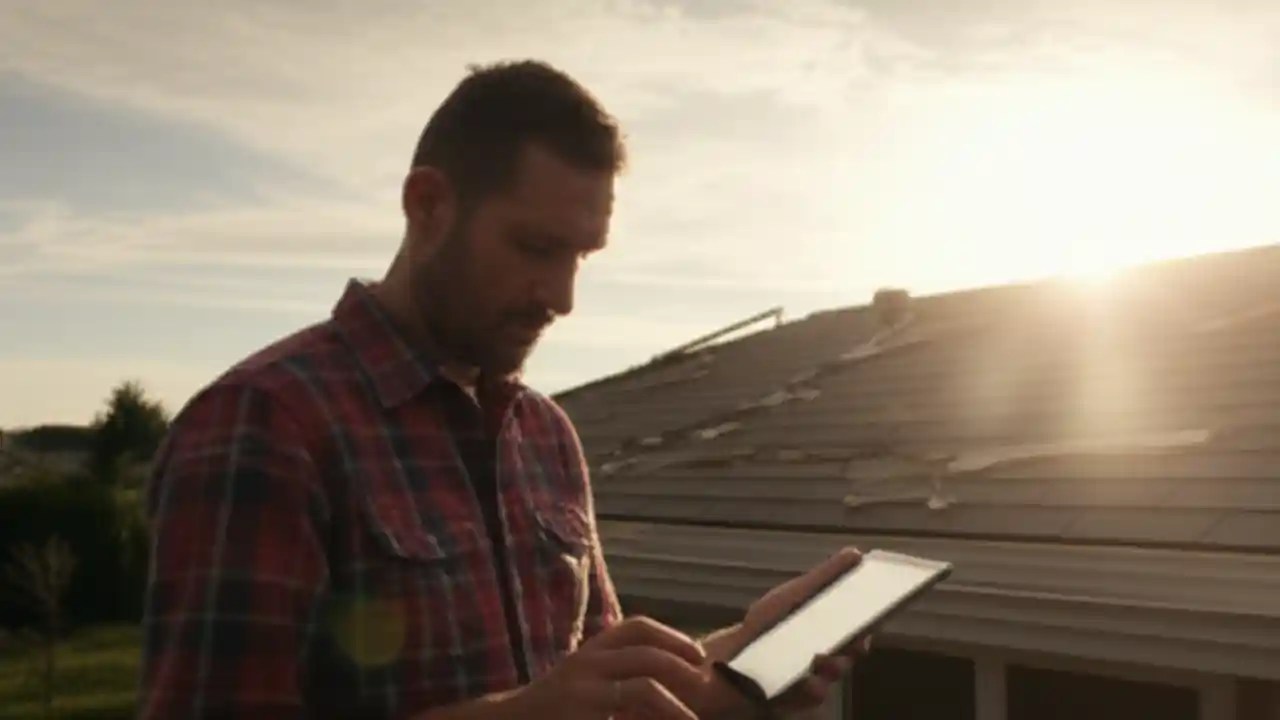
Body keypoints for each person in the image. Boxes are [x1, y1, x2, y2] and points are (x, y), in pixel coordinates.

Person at [139, 60, 865, 720]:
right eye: (537, 248)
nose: (563, 296)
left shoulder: (545, 435)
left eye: (581, 256)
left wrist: (738, 669)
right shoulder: (265, 426)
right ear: (427, 207)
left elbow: (598, 698)